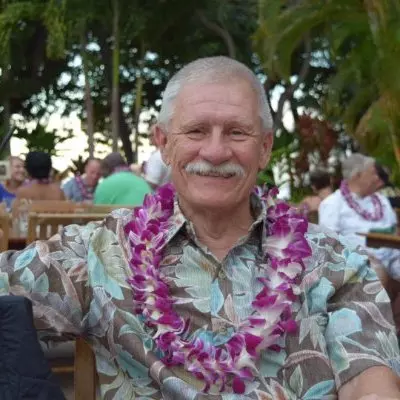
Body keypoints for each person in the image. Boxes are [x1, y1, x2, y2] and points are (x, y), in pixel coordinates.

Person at [0, 57, 399, 400]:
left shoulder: (336, 264)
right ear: (163, 142)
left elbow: (370, 379)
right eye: (195, 131)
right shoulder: (100, 251)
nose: (214, 151)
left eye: (237, 132)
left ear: (263, 148)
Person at [319, 154, 400, 278]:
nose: (377, 178)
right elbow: (329, 245)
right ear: (358, 175)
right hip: (358, 264)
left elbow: (395, 229)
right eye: (373, 173)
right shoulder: (332, 203)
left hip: (394, 257)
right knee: (374, 272)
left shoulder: (381, 200)